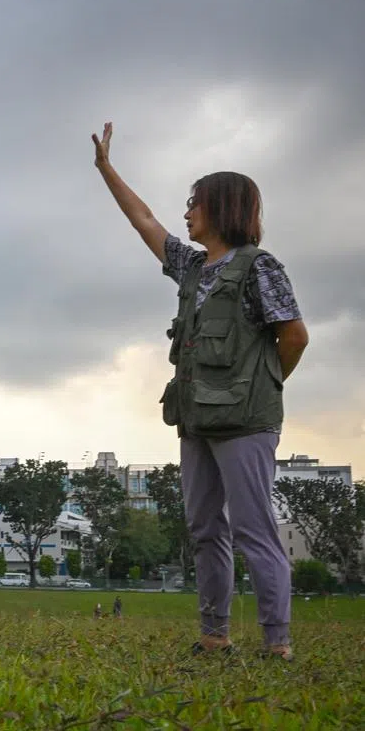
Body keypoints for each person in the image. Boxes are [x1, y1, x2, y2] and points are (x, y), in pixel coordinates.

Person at [92, 122, 308, 661]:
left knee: (254, 529)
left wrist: (256, 388)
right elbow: (144, 221)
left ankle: (276, 642)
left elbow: (295, 336)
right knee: (204, 527)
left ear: (221, 208)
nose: (186, 214)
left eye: (194, 204)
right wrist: (106, 170)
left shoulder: (261, 268)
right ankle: (215, 634)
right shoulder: (191, 266)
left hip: (247, 423)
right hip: (196, 419)